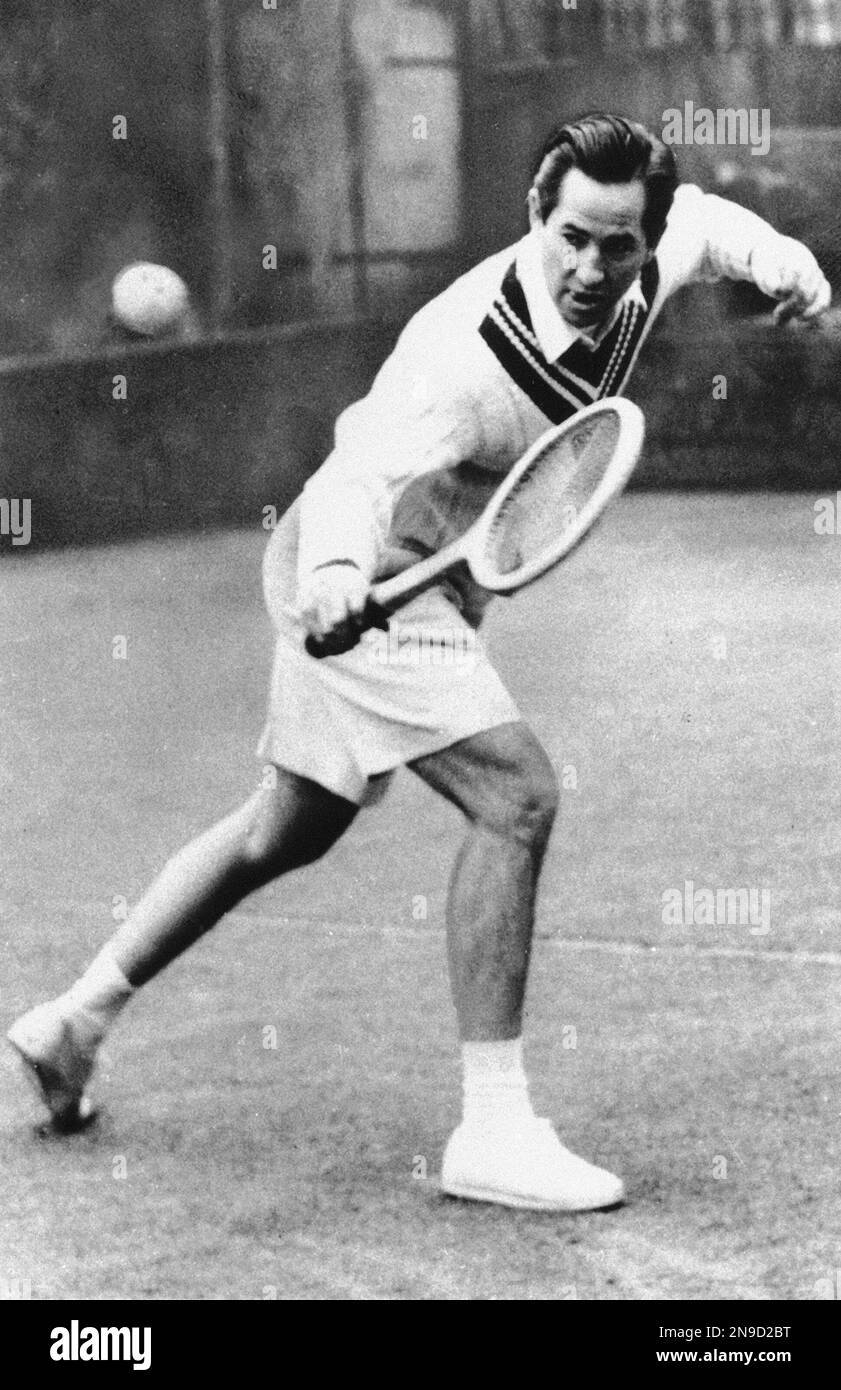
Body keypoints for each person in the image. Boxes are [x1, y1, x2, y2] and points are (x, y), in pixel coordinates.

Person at [7, 114, 830, 1211]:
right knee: (518, 796)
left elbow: (712, 224)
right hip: (354, 577)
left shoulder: (651, 245)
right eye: (571, 237)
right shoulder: (456, 351)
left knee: (283, 826)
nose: (592, 267)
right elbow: (355, 470)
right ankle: (492, 1128)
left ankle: (75, 1018)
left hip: (435, 584)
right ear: (534, 216)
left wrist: (791, 269)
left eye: (616, 244)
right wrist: (342, 572)